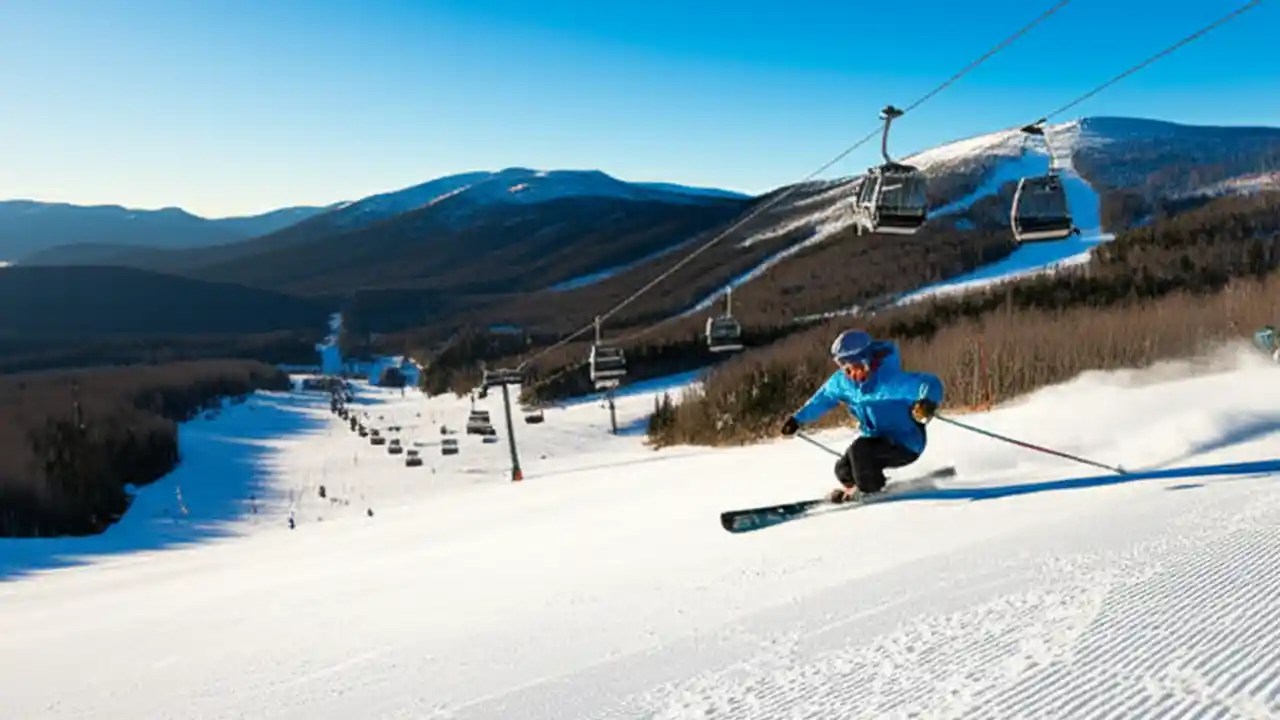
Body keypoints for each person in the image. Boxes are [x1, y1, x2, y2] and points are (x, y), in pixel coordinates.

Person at [780, 330, 944, 503]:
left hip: (905, 442)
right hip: (875, 440)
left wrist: (927, 403)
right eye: (847, 369)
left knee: (861, 451)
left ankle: (870, 490)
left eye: (857, 367)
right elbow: (823, 398)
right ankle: (858, 487)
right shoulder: (843, 383)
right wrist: (797, 419)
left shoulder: (889, 380)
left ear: (869, 362)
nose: (852, 374)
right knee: (843, 469)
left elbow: (930, 384)